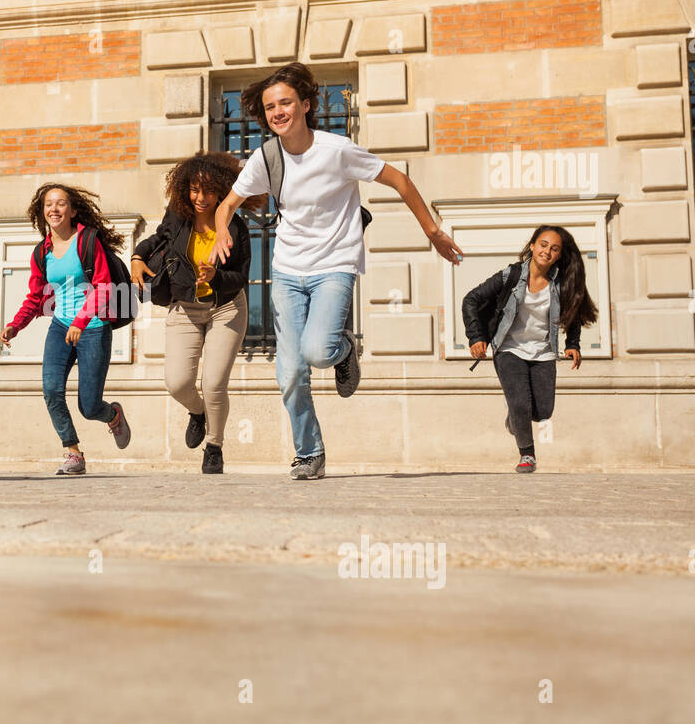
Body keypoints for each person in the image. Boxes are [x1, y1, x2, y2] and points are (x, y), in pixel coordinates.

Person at [208, 62, 464, 479]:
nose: (277, 112)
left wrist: (432, 231)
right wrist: (221, 232)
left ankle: (343, 349)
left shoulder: (336, 150)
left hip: (334, 265)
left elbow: (399, 179)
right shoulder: (266, 157)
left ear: (306, 105)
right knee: (290, 372)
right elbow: (227, 205)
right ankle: (309, 453)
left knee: (317, 352)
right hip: (288, 271)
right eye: (270, 106)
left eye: (286, 102)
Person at [131, 152, 259, 473]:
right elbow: (158, 238)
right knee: (177, 383)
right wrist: (136, 256)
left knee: (214, 382)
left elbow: (241, 277)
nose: (200, 198)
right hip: (184, 309)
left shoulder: (237, 228)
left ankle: (214, 445)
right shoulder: (178, 216)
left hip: (226, 308)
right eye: (194, 189)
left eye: (209, 190)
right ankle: (198, 412)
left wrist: (216, 277)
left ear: (222, 190)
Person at [0, 183, 131, 476]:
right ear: (42, 211)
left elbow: (103, 288)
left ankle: (113, 414)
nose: (54, 209)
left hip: (93, 327)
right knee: (51, 390)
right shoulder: (42, 251)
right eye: (49, 204)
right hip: (61, 327)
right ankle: (73, 454)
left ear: (72, 211)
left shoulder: (88, 241)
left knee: (89, 405)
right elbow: (36, 296)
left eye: (61, 204)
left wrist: (81, 321)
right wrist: (15, 326)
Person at [462, 225, 597, 473]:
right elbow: (471, 299)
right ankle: (527, 455)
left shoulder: (561, 283)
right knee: (520, 403)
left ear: (559, 255)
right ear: (533, 246)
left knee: (543, 410)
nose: (547, 251)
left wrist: (573, 344)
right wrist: (476, 337)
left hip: (543, 351)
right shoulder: (511, 275)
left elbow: (574, 313)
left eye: (554, 248)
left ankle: (515, 419)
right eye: (543, 244)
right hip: (509, 348)